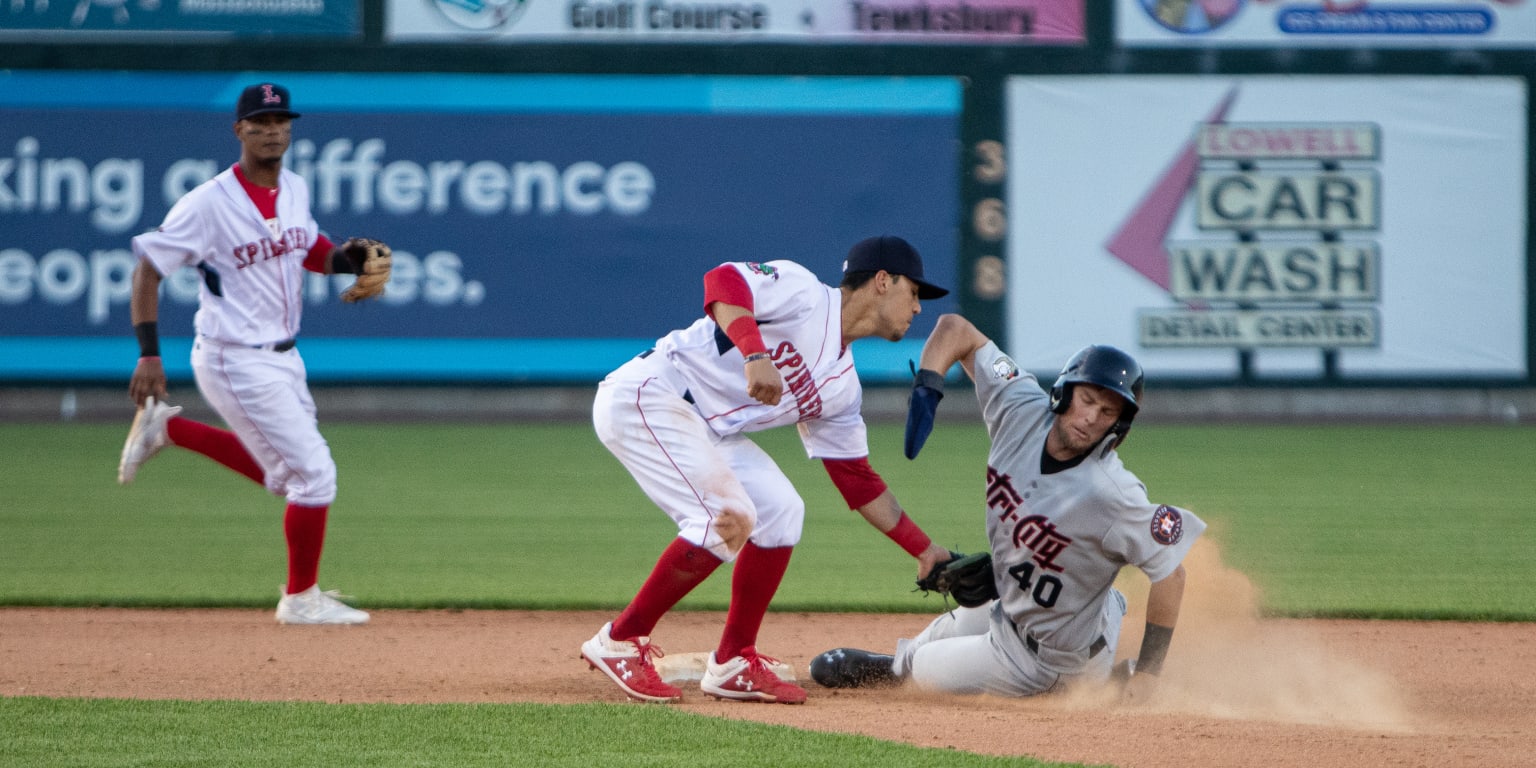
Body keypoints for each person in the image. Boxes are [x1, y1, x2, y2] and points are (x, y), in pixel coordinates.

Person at [580, 235, 956, 704]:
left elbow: (857, 482)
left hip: (709, 428)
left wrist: (924, 549)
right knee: (728, 516)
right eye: (915, 292)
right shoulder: (805, 294)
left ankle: (734, 661)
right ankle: (620, 640)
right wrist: (756, 354)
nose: (918, 308)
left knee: (781, 511)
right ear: (883, 280)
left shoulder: (841, 388)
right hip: (652, 393)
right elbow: (722, 282)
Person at [810, 313, 1205, 702]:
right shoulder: (1020, 407)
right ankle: (1103, 663)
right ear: (1064, 392)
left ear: (1119, 427)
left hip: (1050, 663)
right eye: (1086, 400)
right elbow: (957, 329)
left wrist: (1152, 673)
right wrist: (929, 383)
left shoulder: (1113, 493)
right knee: (947, 629)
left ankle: (1099, 683)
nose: (1090, 418)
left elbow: (1171, 574)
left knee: (921, 665)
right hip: (1029, 610)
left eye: (1107, 413)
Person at [117, 82, 391, 626]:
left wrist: (348, 259)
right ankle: (300, 598)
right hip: (233, 356)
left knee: (290, 476)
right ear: (239, 129)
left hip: (284, 355)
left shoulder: (293, 188)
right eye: (260, 122)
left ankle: (169, 431)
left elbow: (308, 248)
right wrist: (149, 355)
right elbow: (149, 267)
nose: (272, 131)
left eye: (281, 121)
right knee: (314, 475)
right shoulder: (208, 203)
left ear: (291, 128)